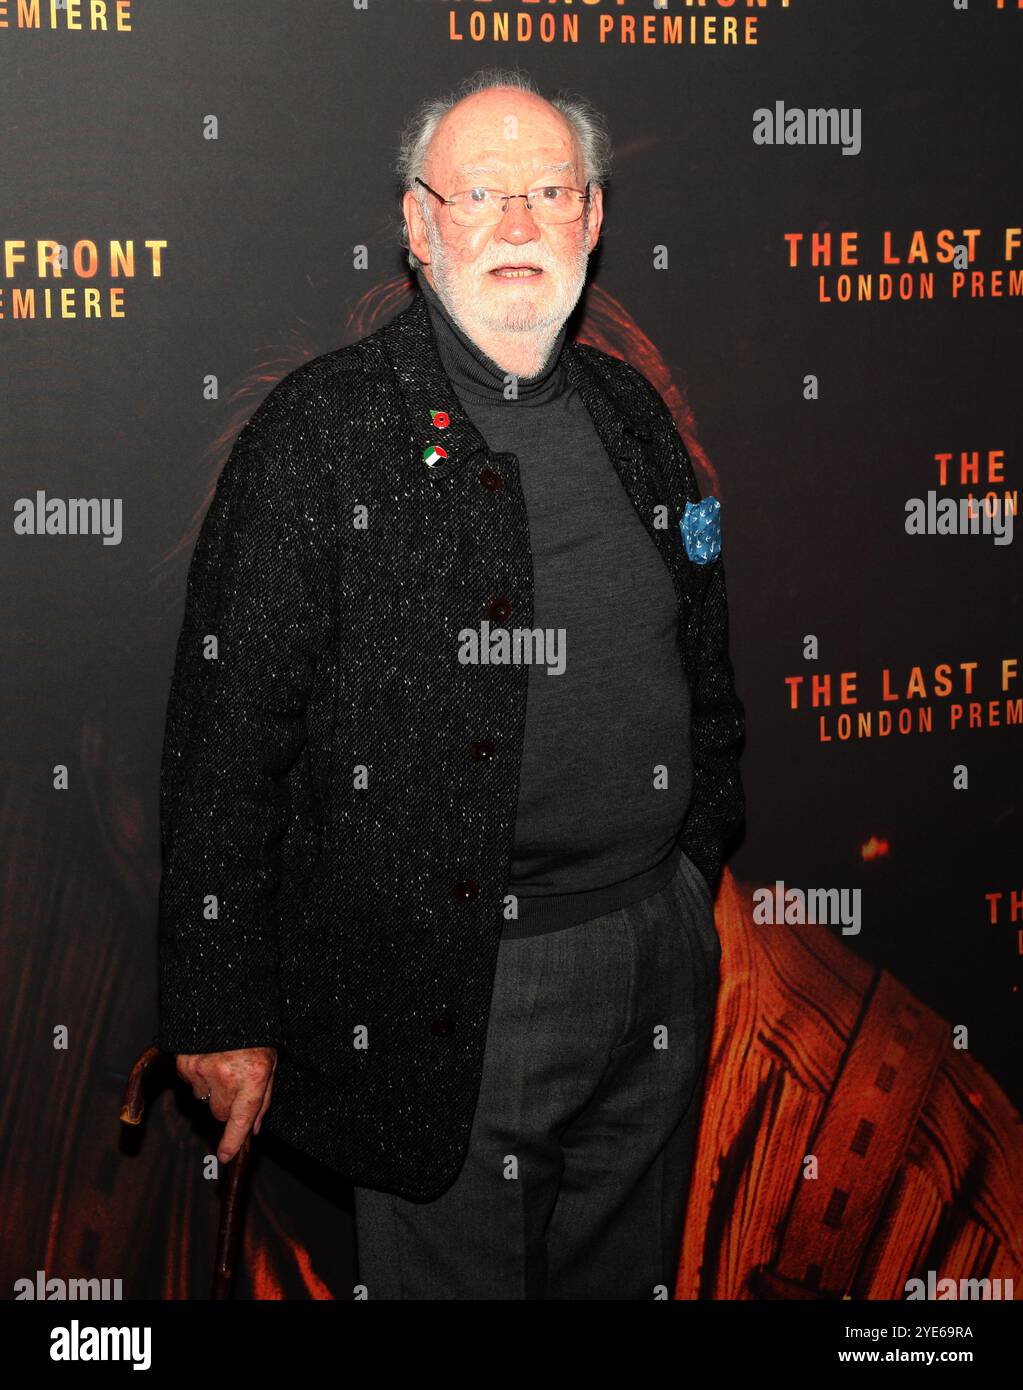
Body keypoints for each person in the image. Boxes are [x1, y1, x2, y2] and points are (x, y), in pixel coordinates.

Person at [156, 66, 745, 1300]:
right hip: (446, 990)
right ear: (419, 230)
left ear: (594, 220)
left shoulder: (634, 413)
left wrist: (691, 873)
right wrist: (216, 1004)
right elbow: (225, 736)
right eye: (481, 195)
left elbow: (702, 656)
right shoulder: (321, 435)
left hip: (654, 955)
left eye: (549, 191)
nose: (519, 224)